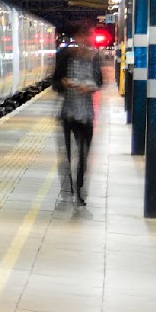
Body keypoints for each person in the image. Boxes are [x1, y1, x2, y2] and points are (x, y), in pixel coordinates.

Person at [54, 24, 103, 206]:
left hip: (87, 115)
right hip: (68, 113)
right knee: (66, 155)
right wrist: (63, 83)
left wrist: (89, 86)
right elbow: (55, 83)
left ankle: (80, 190)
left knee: (83, 154)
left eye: (87, 38)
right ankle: (68, 186)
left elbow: (99, 82)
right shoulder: (65, 57)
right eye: (83, 37)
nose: (85, 41)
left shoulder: (94, 58)